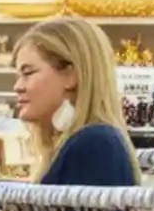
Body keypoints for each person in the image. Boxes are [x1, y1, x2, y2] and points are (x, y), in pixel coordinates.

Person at [12, 17, 140, 185]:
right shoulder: (87, 142)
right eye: (18, 76)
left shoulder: (94, 144)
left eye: (28, 73)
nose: (17, 86)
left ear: (70, 76)